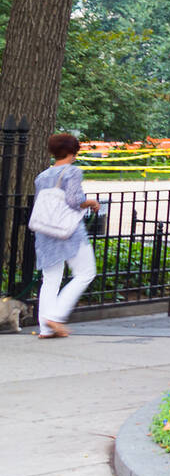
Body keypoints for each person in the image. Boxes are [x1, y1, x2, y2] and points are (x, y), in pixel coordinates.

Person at [31, 132, 99, 338]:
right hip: (69, 232)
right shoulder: (72, 172)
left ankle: (45, 328)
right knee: (86, 273)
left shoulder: (42, 176)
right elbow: (73, 201)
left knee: (50, 279)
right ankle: (56, 317)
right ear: (72, 151)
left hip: (46, 232)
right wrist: (91, 203)